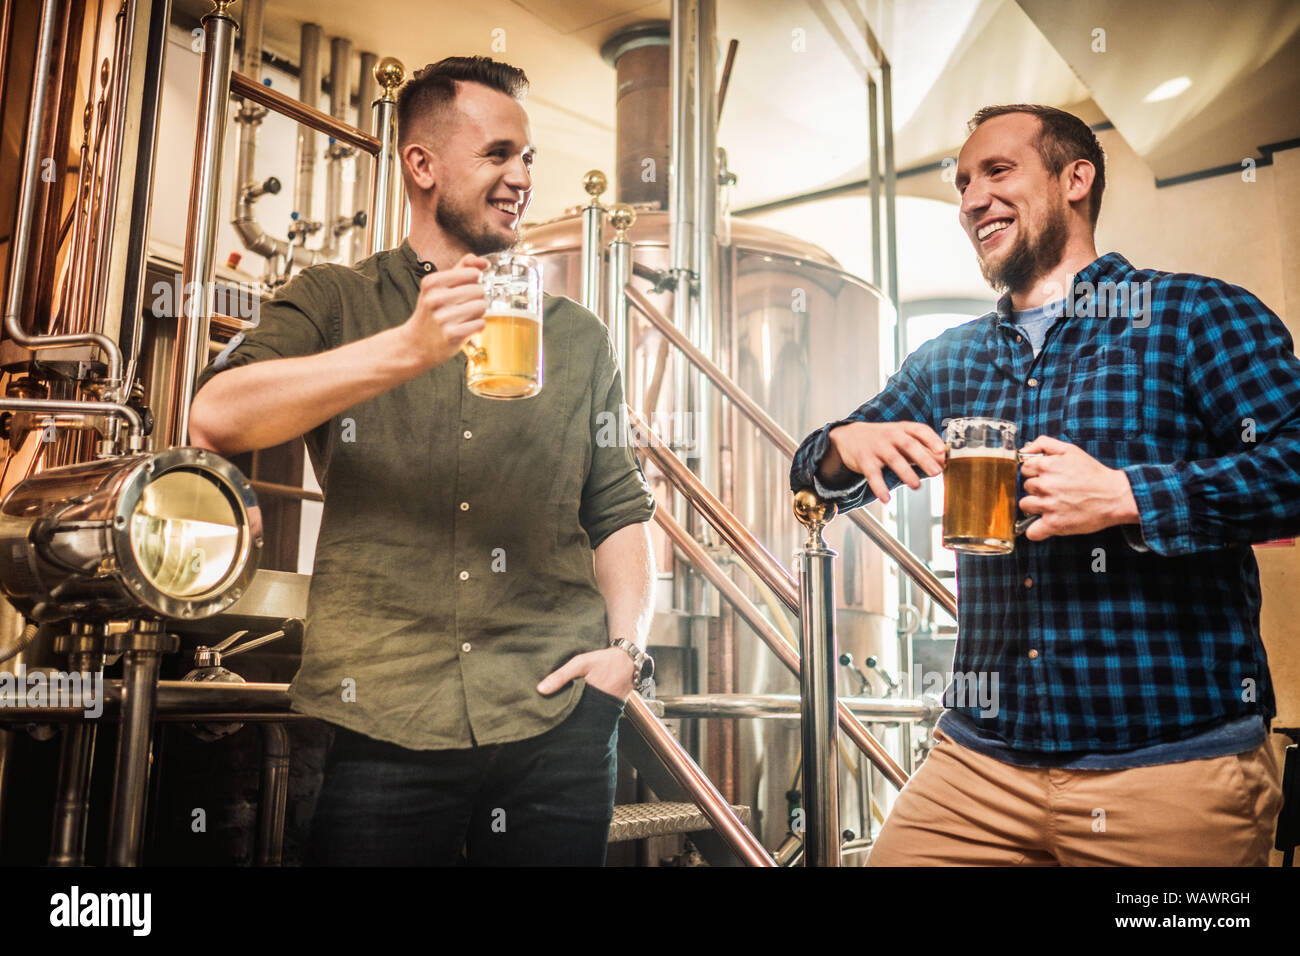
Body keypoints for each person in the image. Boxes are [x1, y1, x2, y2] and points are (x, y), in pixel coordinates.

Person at [790, 104, 1298, 866]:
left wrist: (1129, 496)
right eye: (963, 183)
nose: (970, 199)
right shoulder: (948, 359)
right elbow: (816, 478)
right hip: (976, 770)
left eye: (997, 172)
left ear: (1075, 179)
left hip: (1171, 770)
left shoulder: (1193, 314)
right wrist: (839, 445)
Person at [189, 56, 657, 866]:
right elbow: (216, 414)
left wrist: (626, 656)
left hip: (561, 720)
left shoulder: (577, 337)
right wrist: (407, 349)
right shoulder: (336, 299)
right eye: (498, 154)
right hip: (388, 717)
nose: (521, 178)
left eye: (529, 159)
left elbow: (617, 509)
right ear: (422, 164)